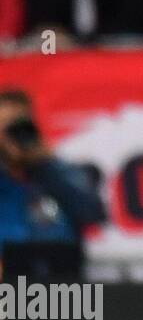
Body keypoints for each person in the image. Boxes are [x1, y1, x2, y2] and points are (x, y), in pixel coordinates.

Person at [0, 88, 106, 260]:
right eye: (3, 126)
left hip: (55, 273)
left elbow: (92, 212)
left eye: (17, 126)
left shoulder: (54, 174)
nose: (10, 137)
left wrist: (48, 163)